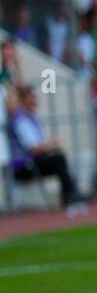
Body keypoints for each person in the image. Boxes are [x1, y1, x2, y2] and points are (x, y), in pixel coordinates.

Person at [7, 84, 88, 214]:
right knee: (58, 159)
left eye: (34, 98)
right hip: (24, 166)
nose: (34, 101)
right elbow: (33, 148)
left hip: (32, 162)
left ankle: (71, 193)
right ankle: (69, 195)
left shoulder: (30, 118)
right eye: (30, 98)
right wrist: (51, 144)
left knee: (59, 156)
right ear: (22, 100)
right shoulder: (20, 119)